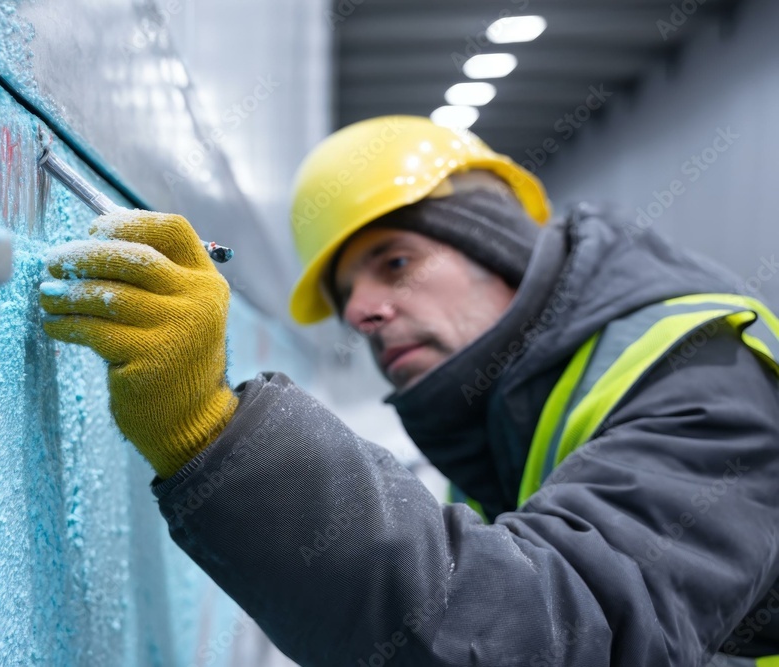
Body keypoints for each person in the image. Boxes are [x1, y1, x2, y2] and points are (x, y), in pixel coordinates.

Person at [38, 115, 779, 666]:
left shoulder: (706, 384)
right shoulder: (504, 414)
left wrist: (208, 430)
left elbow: (554, 635)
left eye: (394, 262)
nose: (361, 310)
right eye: (347, 292)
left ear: (498, 249)